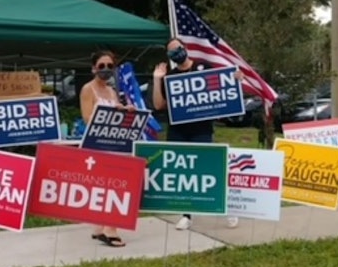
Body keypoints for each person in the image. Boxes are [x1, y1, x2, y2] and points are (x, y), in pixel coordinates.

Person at [152, 37, 240, 230]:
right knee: (184, 174)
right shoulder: (170, 77)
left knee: (209, 169)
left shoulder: (203, 68)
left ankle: (226, 208)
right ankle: (187, 214)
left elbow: (224, 88)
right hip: (178, 131)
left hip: (201, 130)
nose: (177, 54)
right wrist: (157, 79)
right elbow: (159, 104)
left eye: (179, 49)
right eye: (172, 52)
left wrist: (235, 80)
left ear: (186, 48)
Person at [80, 50, 135, 247]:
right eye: (101, 66)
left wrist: (126, 110)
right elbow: (87, 118)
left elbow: (118, 111)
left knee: (112, 186)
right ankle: (111, 229)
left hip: (115, 144)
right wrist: (107, 116)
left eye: (110, 66)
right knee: (109, 187)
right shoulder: (88, 89)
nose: (105, 70)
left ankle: (99, 227)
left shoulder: (111, 91)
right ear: (94, 67)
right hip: (97, 145)